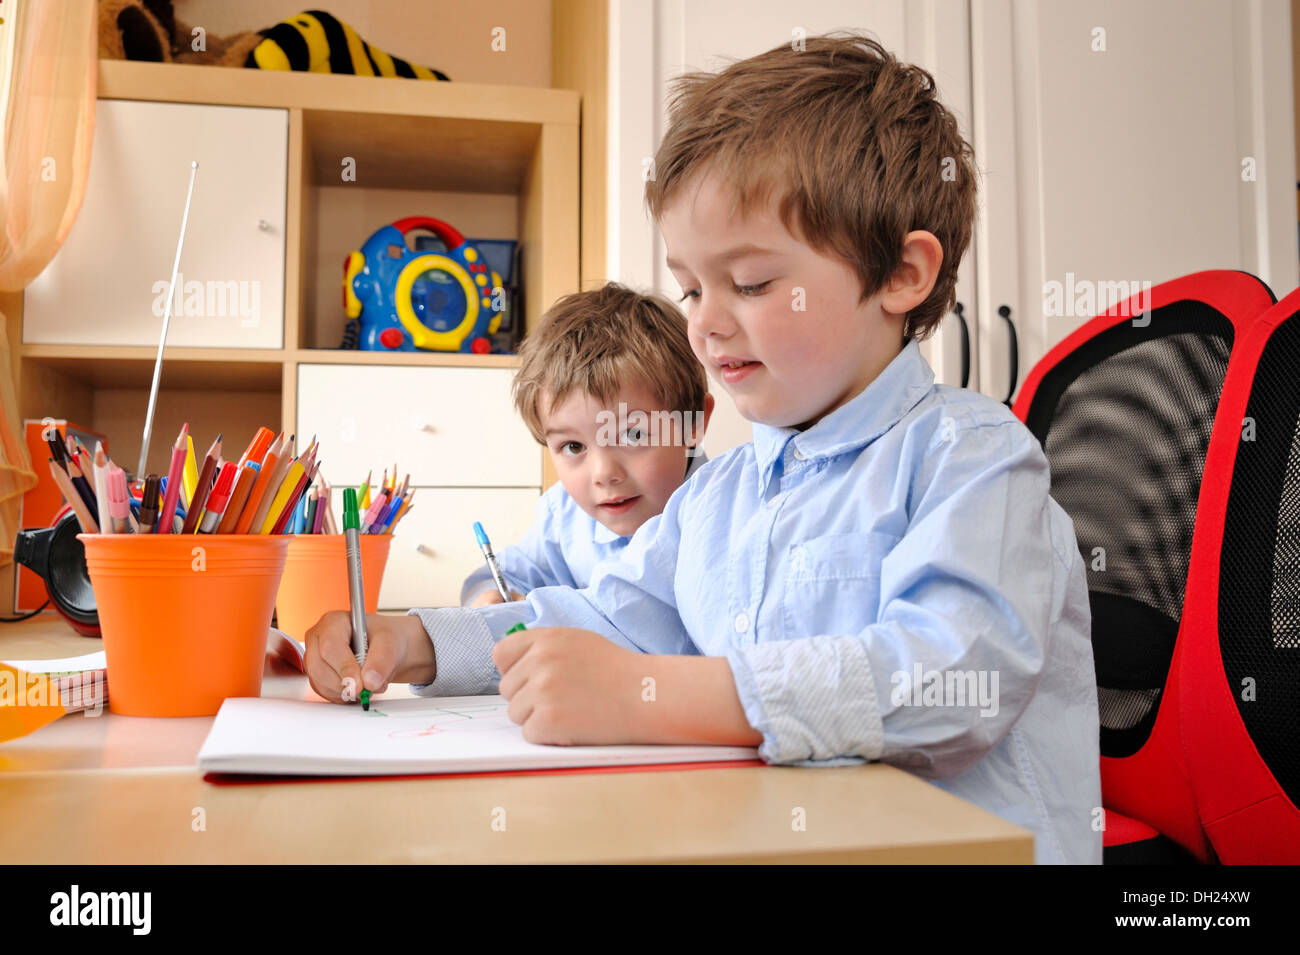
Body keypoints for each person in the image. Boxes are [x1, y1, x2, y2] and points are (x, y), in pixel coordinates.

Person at [306, 32, 1101, 864]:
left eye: (751, 283)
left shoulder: (971, 458)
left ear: (903, 274)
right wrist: (411, 641)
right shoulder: (719, 497)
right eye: (690, 286)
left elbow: (948, 679)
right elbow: (603, 614)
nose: (705, 322)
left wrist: (658, 695)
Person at [461, 282, 713, 607]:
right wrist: (490, 597)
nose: (604, 474)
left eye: (633, 435)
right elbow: (504, 576)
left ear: (692, 424)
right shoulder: (564, 514)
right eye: (574, 447)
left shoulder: (721, 516)